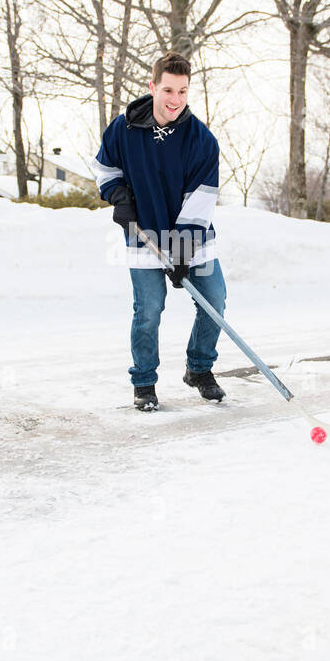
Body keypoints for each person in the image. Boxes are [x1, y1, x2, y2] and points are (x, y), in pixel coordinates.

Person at [92, 51, 227, 412]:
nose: (175, 100)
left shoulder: (201, 139)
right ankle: (145, 382)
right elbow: (105, 171)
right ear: (153, 87)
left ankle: (199, 368)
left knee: (214, 301)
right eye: (169, 89)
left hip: (192, 238)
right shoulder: (123, 130)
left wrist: (181, 253)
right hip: (144, 234)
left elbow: (200, 200)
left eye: (183, 91)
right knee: (149, 308)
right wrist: (118, 195)